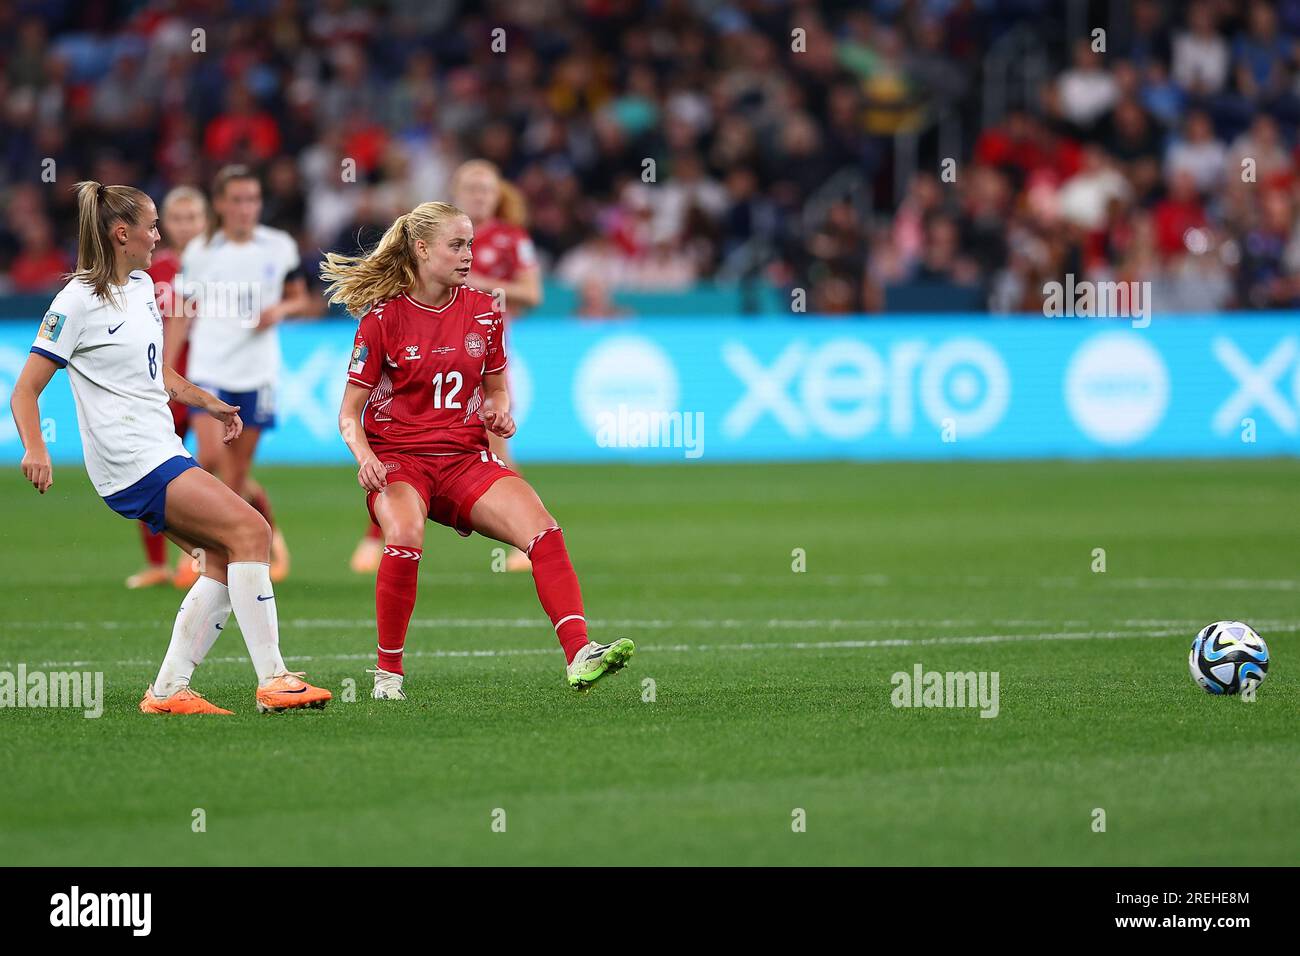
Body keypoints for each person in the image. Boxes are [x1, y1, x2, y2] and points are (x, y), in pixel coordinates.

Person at [9, 181, 331, 714]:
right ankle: (274, 679)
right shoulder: (76, 301)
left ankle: (167, 692)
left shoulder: (139, 287)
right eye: (151, 226)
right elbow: (25, 389)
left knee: (224, 560)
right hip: (131, 457)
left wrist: (209, 402)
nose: (159, 236)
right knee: (251, 529)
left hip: (154, 447)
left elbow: (156, 373)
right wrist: (36, 448)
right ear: (121, 234)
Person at [321, 201, 633, 700]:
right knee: (404, 530)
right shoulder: (383, 320)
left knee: (543, 530)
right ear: (421, 249)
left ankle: (579, 652)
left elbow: (496, 389)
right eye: (457, 245)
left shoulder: (486, 311)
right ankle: (388, 675)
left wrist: (499, 411)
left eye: (471, 244)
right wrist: (367, 459)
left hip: (464, 459)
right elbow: (347, 414)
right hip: (400, 461)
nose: (469, 255)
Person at [348, 160, 542, 574]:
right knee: (407, 443)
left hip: (482, 355)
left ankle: (523, 533)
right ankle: (387, 531)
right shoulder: (442, 235)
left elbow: (532, 293)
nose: (480, 196)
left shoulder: (509, 239)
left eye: (487, 189)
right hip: (427, 350)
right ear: (457, 192)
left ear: (498, 194)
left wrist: (481, 284)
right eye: (471, 189)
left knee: (494, 447)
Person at [170, 165, 309, 587]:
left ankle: (245, 549)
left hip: (257, 373)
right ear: (221, 204)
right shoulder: (201, 251)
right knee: (209, 458)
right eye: (238, 200)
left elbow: (301, 298)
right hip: (210, 369)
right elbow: (182, 310)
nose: (246, 208)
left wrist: (280, 312)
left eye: (253, 199)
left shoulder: (279, 246)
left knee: (235, 473)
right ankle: (223, 550)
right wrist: (164, 367)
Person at [125, 185, 208, 589]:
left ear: (206, 222)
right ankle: (158, 562)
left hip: (208, 379)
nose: (186, 226)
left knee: (216, 470)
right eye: (177, 218)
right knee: (150, 465)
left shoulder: (218, 265)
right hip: (164, 381)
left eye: (194, 218)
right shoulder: (150, 269)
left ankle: (254, 539)